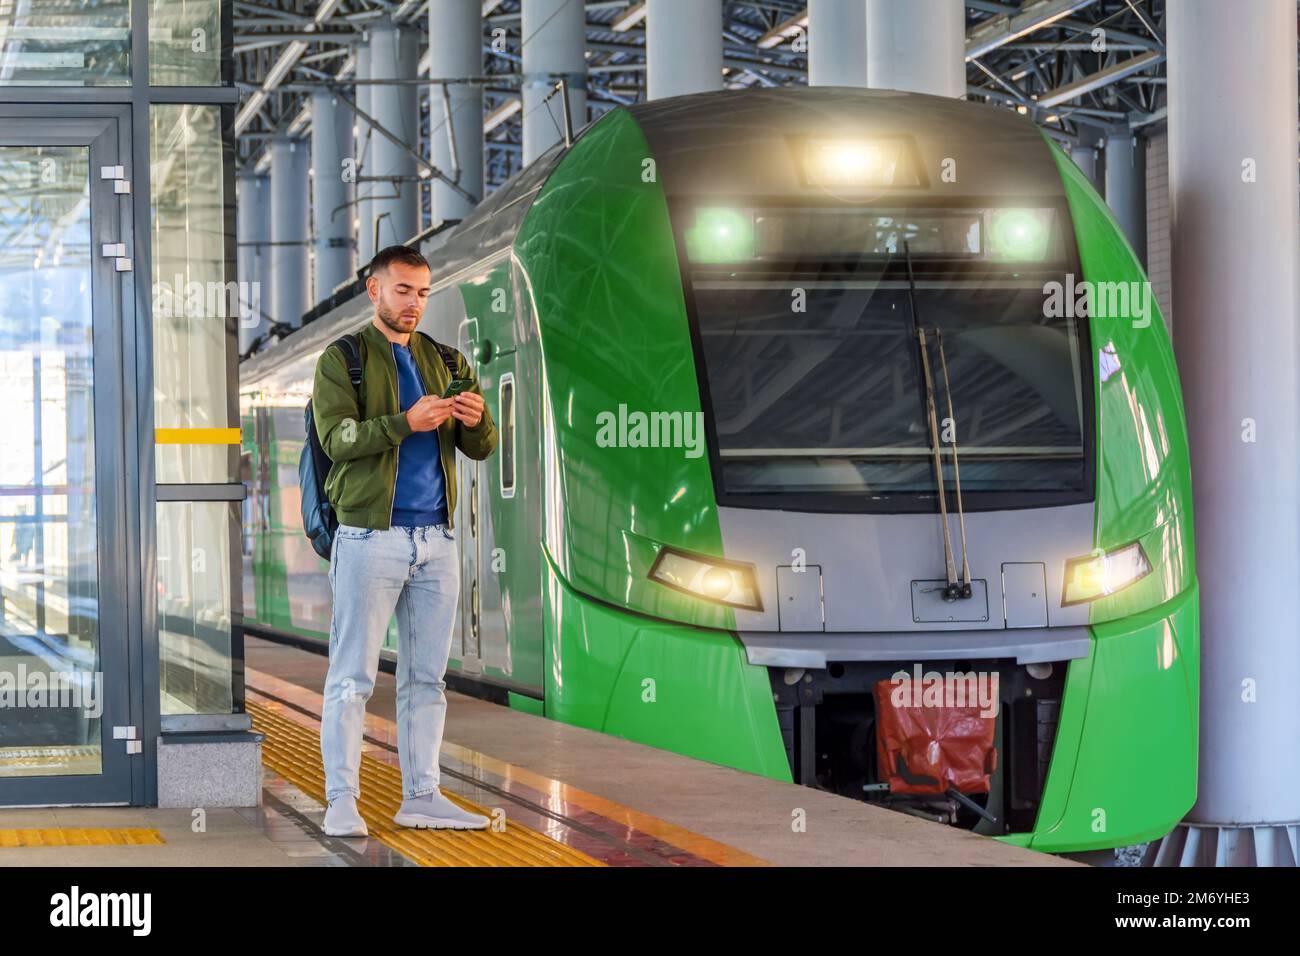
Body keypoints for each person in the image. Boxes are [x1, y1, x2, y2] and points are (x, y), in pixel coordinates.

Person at [311, 244, 498, 837]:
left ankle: (422, 795)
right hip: (370, 538)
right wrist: (404, 423)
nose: (415, 303)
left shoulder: (446, 359)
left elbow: (483, 449)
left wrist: (477, 419)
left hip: (436, 541)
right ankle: (342, 800)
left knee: (426, 680)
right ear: (374, 290)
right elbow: (337, 440)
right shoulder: (342, 360)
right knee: (352, 677)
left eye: (422, 292)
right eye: (402, 291)